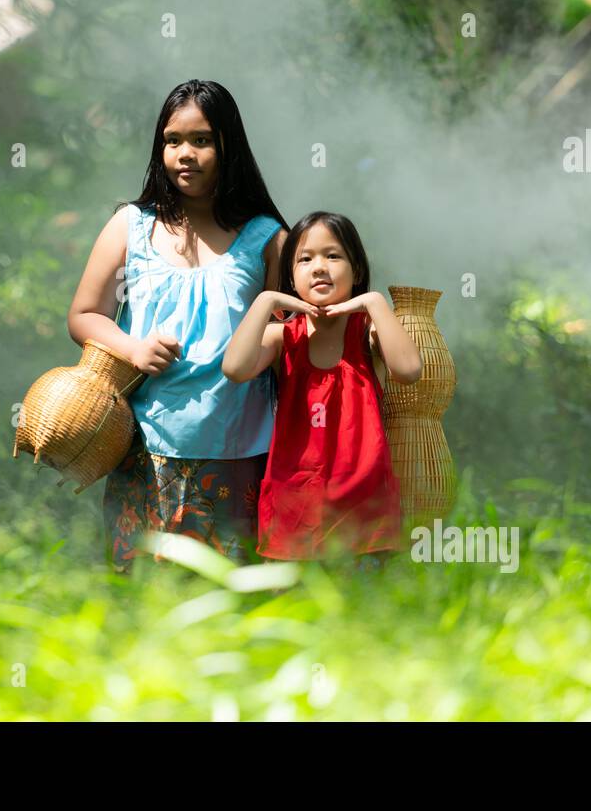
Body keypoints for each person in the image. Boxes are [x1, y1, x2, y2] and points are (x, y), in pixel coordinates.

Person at [67, 80, 290, 573]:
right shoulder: (130, 225)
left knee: (231, 600)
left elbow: (291, 337)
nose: (184, 154)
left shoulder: (267, 238)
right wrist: (133, 348)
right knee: (143, 597)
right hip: (143, 447)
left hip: (239, 450)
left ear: (229, 146)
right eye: (172, 141)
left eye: (202, 140)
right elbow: (84, 315)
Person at [221, 211, 423, 564]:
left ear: (356, 270)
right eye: (305, 259)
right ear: (291, 275)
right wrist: (267, 300)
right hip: (296, 505)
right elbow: (234, 369)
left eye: (333, 256)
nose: (319, 267)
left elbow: (408, 370)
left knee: (361, 613)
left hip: (364, 508)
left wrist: (373, 302)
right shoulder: (283, 336)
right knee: (296, 612)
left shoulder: (366, 330)